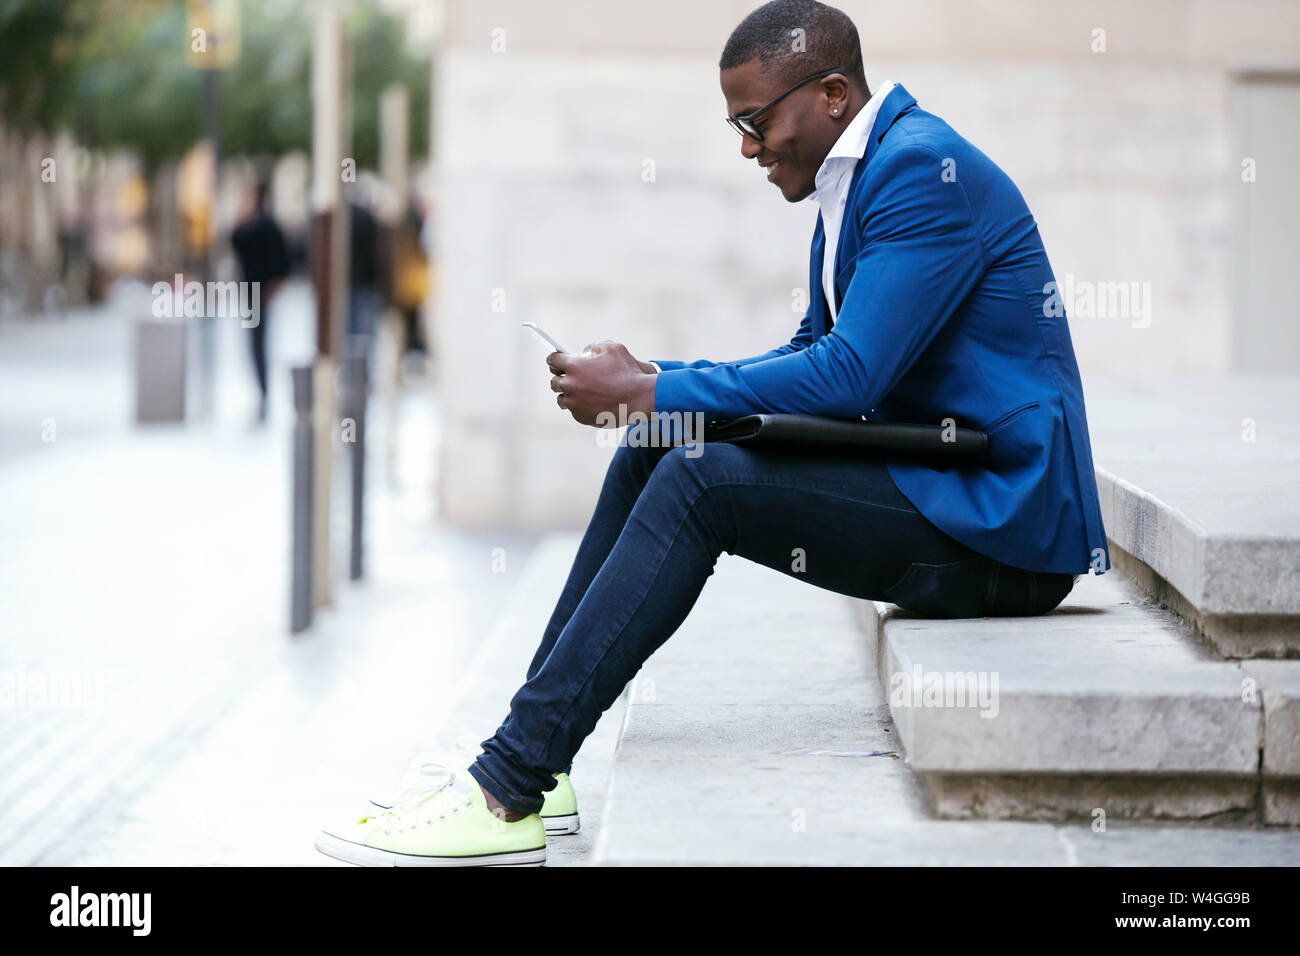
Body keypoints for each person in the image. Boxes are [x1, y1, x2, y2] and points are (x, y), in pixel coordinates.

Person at [315, 0, 1110, 867]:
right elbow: (816, 351)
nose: (747, 147)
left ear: (834, 93)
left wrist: (654, 388)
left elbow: (851, 376)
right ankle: (540, 761)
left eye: (756, 120)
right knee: (664, 439)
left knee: (701, 475)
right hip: (941, 480)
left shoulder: (924, 174)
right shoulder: (866, 174)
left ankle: (507, 788)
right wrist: (661, 388)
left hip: (1001, 532)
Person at [229, 182, 290, 423]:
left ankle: (263, 395)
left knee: (257, 346)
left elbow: (236, 239)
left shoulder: (258, 227)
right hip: (256, 291)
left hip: (257, 292)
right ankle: (262, 394)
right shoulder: (268, 226)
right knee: (257, 345)